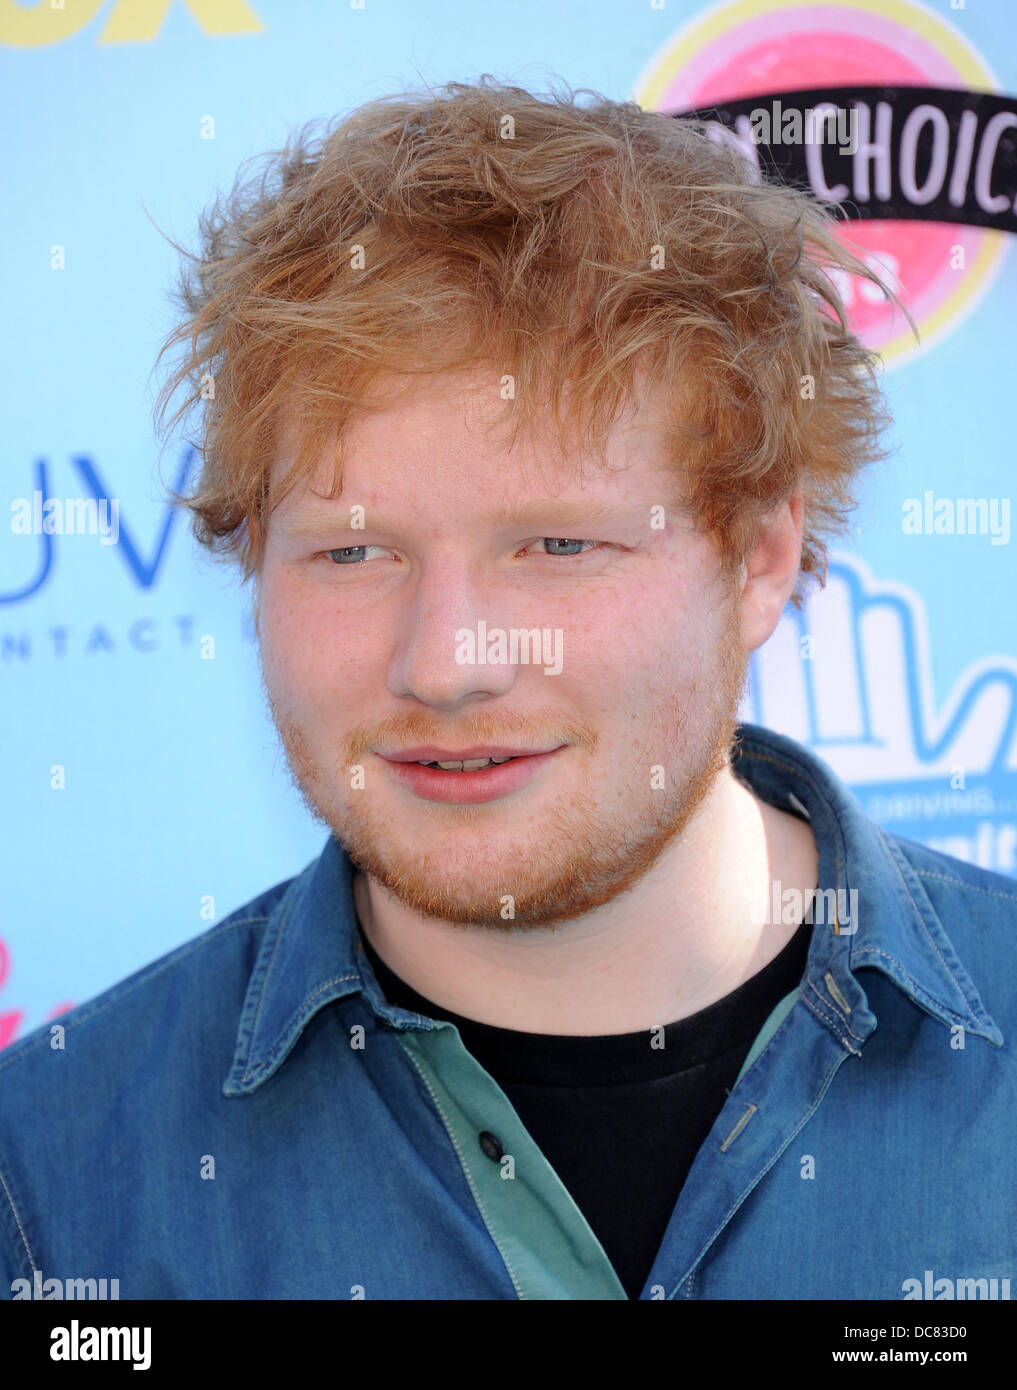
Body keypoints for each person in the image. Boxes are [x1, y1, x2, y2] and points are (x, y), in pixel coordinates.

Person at [2, 77, 1014, 1303]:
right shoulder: (54, 1179)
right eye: (353, 552)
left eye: (558, 546)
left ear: (759, 556)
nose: (446, 663)